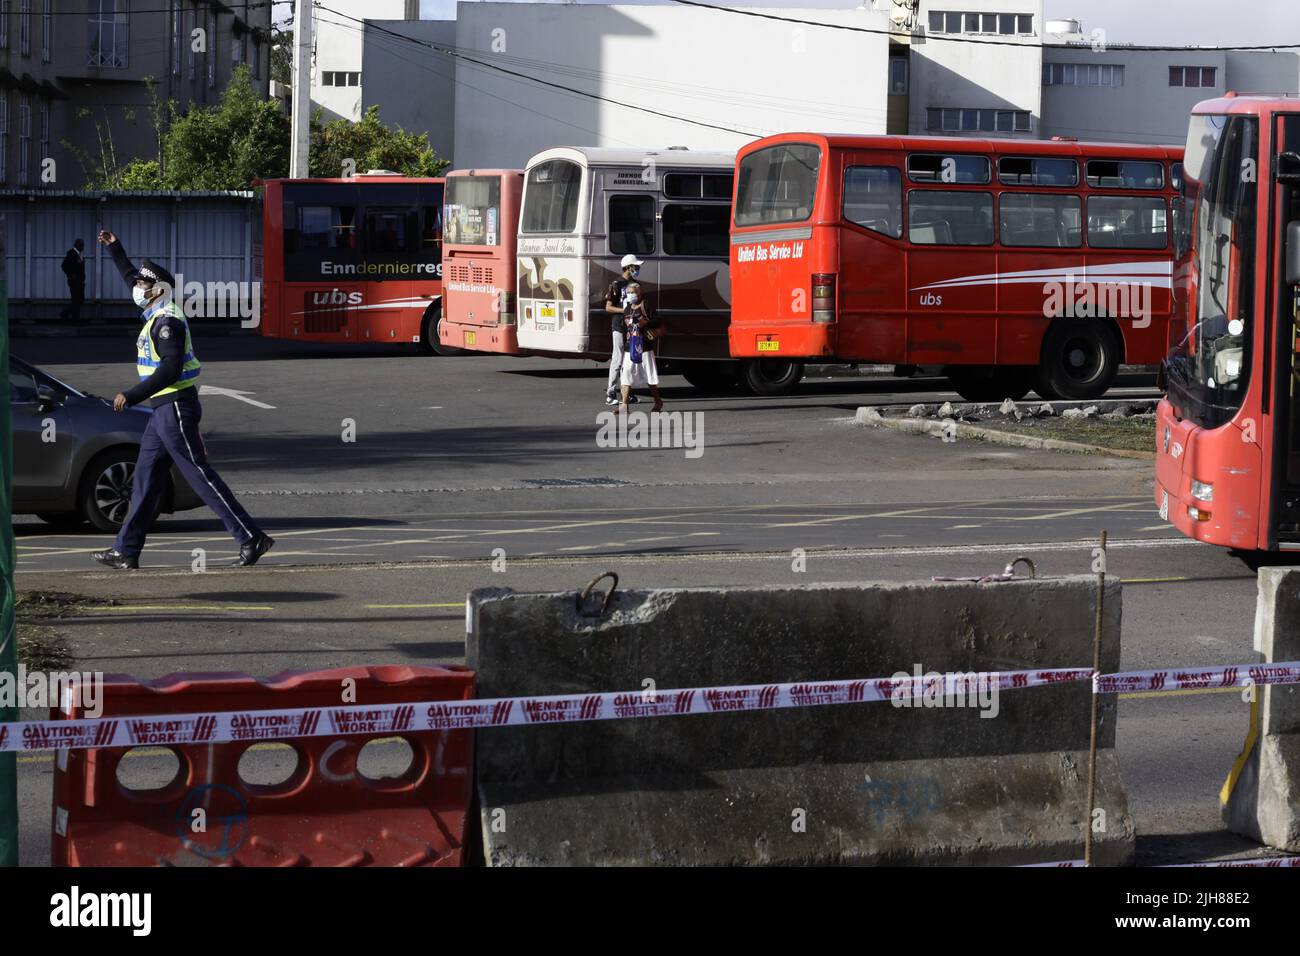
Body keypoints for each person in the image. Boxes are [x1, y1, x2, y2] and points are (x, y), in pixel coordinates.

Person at [89, 230, 274, 571]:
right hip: (162, 412)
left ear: (157, 290)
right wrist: (115, 248)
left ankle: (251, 536)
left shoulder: (167, 322)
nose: (136, 289)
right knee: (144, 480)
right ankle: (126, 550)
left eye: (143, 286)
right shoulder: (156, 310)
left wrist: (131, 396)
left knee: (199, 475)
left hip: (174, 407)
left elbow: (171, 369)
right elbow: (131, 273)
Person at [603, 253, 643, 406]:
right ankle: (611, 392)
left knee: (629, 360)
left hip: (631, 328)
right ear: (628, 267)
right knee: (618, 358)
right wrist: (624, 311)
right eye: (636, 266)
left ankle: (627, 393)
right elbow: (608, 307)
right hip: (619, 326)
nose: (638, 269)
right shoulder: (616, 284)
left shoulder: (635, 285)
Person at [619, 281, 664, 413]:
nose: (631, 295)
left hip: (644, 346)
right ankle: (624, 406)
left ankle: (658, 401)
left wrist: (645, 322)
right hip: (630, 346)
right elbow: (625, 326)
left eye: (634, 292)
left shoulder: (646, 306)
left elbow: (658, 320)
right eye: (629, 292)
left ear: (640, 293)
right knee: (626, 374)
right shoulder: (627, 308)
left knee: (649, 376)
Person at [60, 239, 86, 322]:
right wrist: (71, 275)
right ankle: (75, 320)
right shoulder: (71, 254)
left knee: (80, 300)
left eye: (83, 245)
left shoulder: (79, 254)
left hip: (80, 280)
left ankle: (65, 313)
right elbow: (64, 266)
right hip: (75, 281)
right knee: (76, 301)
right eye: (81, 245)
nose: (83, 247)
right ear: (77, 245)